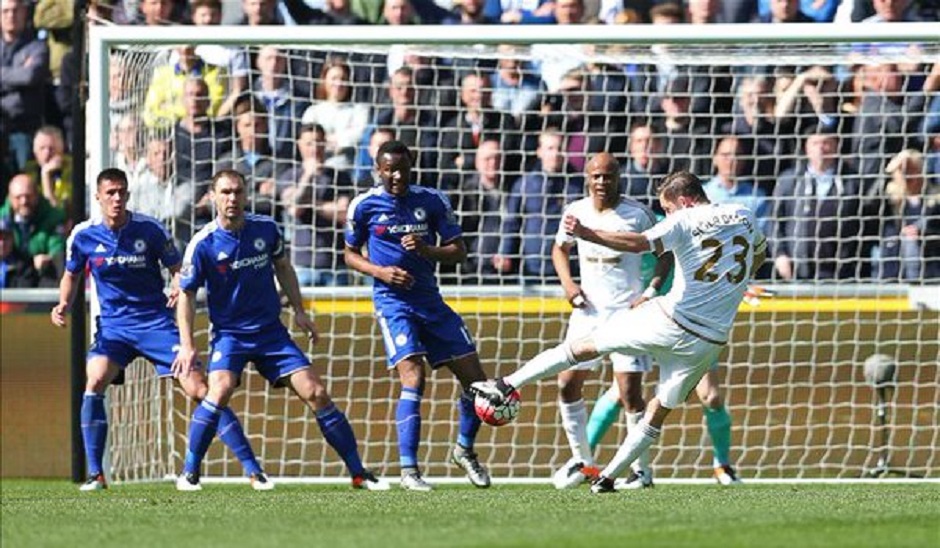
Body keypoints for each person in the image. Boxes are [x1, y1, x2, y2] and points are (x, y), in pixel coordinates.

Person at [473, 170, 766, 493]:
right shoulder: (744, 214)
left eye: (667, 209)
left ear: (683, 201)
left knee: (585, 347)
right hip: (709, 341)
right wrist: (734, 285)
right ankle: (609, 477)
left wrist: (588, 233)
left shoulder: (683, 220)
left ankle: (506, 384)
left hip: (670, 320)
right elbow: (758, 254)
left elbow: (640, 243)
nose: (666, 215)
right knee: (658, 411)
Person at [50, 168, 271, 492]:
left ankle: (254, 470)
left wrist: (176, 285)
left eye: (121, 192)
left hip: (156, 324)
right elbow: (71, 274)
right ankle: (96, 474)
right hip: (114, 329)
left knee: (200, 389)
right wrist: (63, 304)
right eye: (109, 192)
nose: (116, 198)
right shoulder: (83, 236)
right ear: (97, 196)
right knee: (94, 378)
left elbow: (181, 269)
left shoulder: (150, 230)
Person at [174, 169, 387, 491]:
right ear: (213, 197)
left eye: (238, 192)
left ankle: (358, 473)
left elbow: (284, 267)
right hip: (230, 334)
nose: (232, 199)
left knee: (317, 392)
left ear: (246, 195)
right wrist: (187, 345)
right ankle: (189, 473)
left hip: (271, 333)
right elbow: (186, 296)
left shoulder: (266, 229)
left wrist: (299, 311)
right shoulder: (202, 244)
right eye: (226, 192)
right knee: (219, 389)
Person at [343, 140, 492, 491]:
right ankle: (410, 471)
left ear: (412, 167)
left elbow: (458, 252)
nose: (396, 176)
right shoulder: (364, 205)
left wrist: (427, 250)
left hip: (431, 301)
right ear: (378, 170)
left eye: (402, 169)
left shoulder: (432, 200)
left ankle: (464, 450)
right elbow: (349, 254)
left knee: (477, 381)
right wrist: (381, 271)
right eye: (389, 169)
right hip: (393, 302)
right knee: (414, 377)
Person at [548, 153, 671, 490]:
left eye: (608, 176)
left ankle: (641, 471)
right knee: (567, 383)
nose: (602, 182)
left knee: (630, 393)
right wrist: (569, 285)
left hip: (626, 315)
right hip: (587, 313)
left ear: (619, 178)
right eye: (596, 176)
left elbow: (665, 254)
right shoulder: (575, 211)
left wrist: (651, 290)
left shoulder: (637, 214)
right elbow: (560, 249)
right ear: (587, 177)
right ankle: (583, 462)